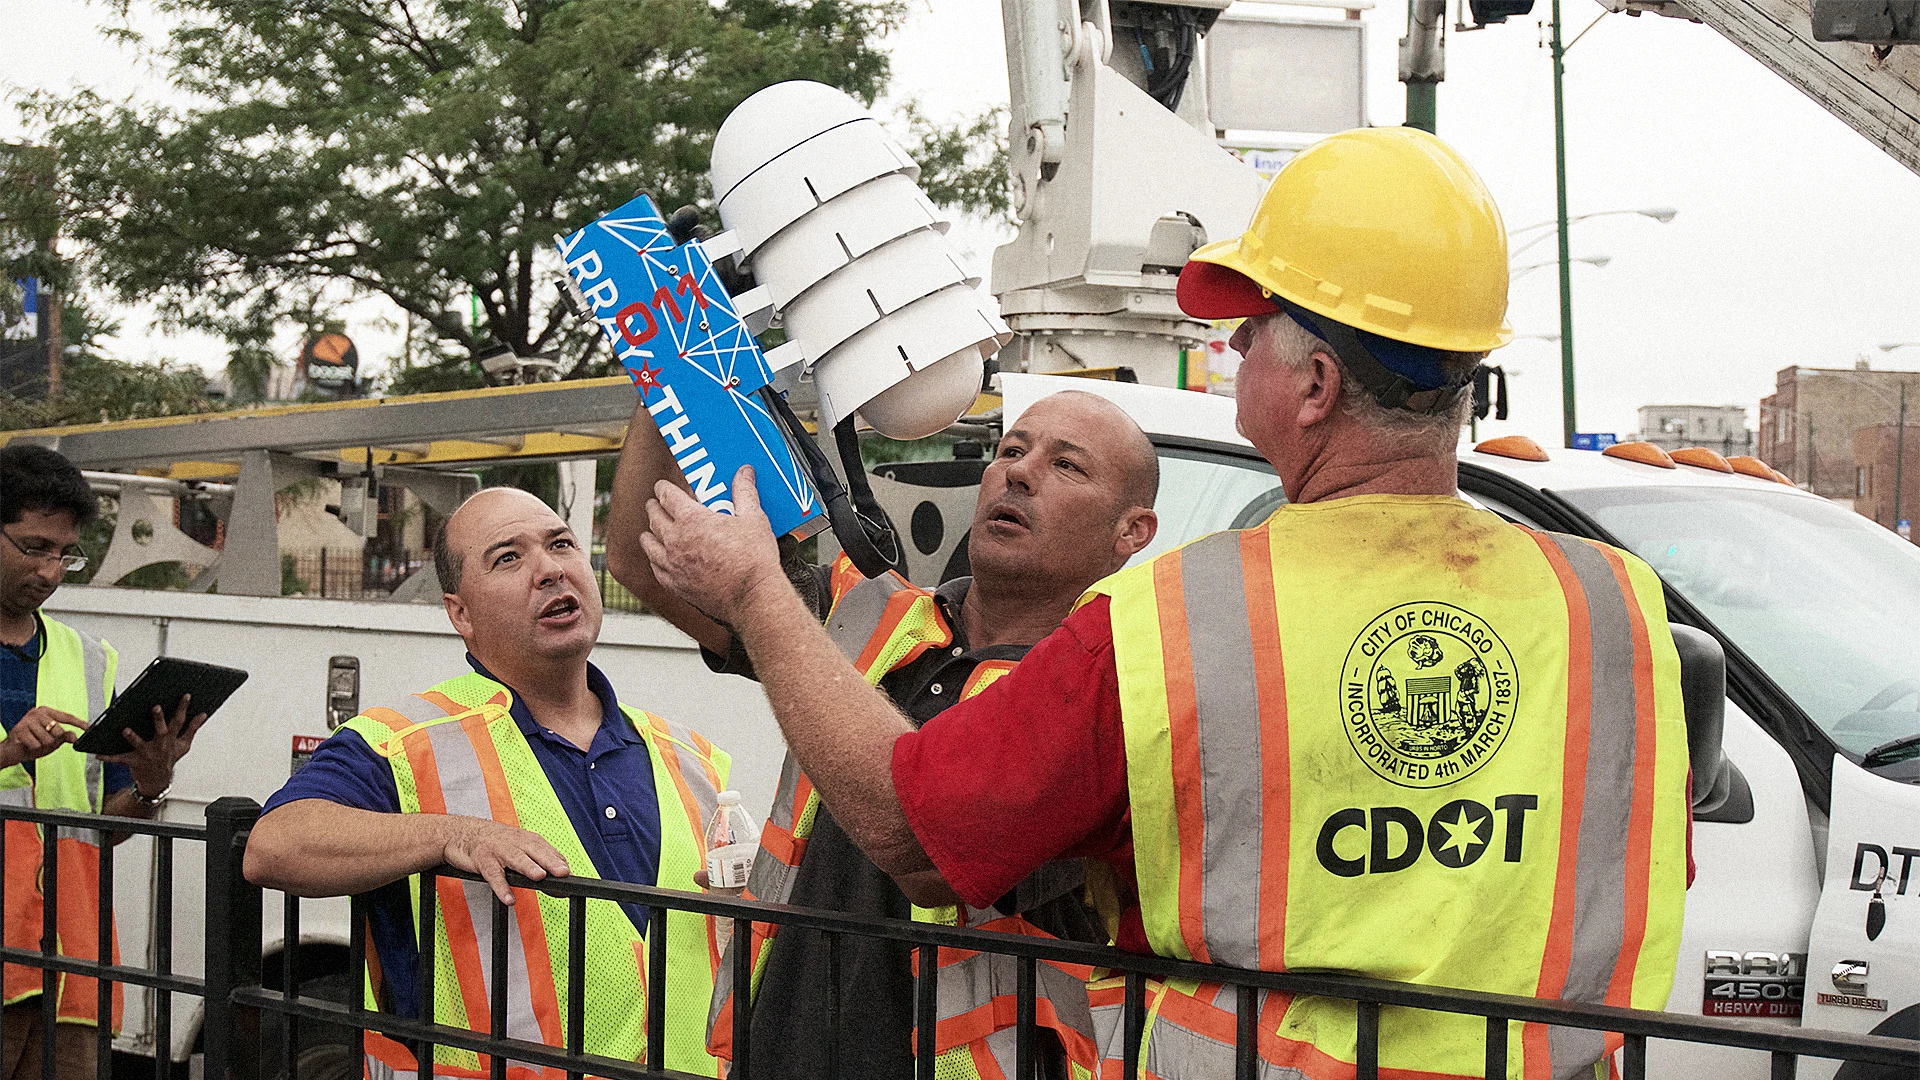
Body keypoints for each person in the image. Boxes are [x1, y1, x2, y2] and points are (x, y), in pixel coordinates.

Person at [635, 127, 1692, 1080]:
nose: (1233, 348)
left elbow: (916, 833)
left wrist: (753, 591)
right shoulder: (1615, 607)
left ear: (1316, 386)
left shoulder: (1185, 625)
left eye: (1254, 328)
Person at [603, 388, 1161, 1080]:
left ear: (1133, 531)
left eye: (1066, 465)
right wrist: (663, 365)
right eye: (1011, 450)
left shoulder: (1110, 697)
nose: (1019, 472)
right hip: (780, 1052)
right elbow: (637, 558)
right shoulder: (865, 611)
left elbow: (930, 860)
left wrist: (755, 591)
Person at [244, 487, 732, 1080]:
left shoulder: (692, 757)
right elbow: (274, 846)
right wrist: (452, 836)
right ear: (461, 614)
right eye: (508, 557)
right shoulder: (403, 742)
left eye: (561, 544)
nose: (549, 569)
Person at [0, 445, 205, 1080]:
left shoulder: (89, 659)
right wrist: (6, 754)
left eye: (66, 554)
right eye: (35, 547)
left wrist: (149, 783)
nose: (51, 571)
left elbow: (103, 827)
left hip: (70, 964)